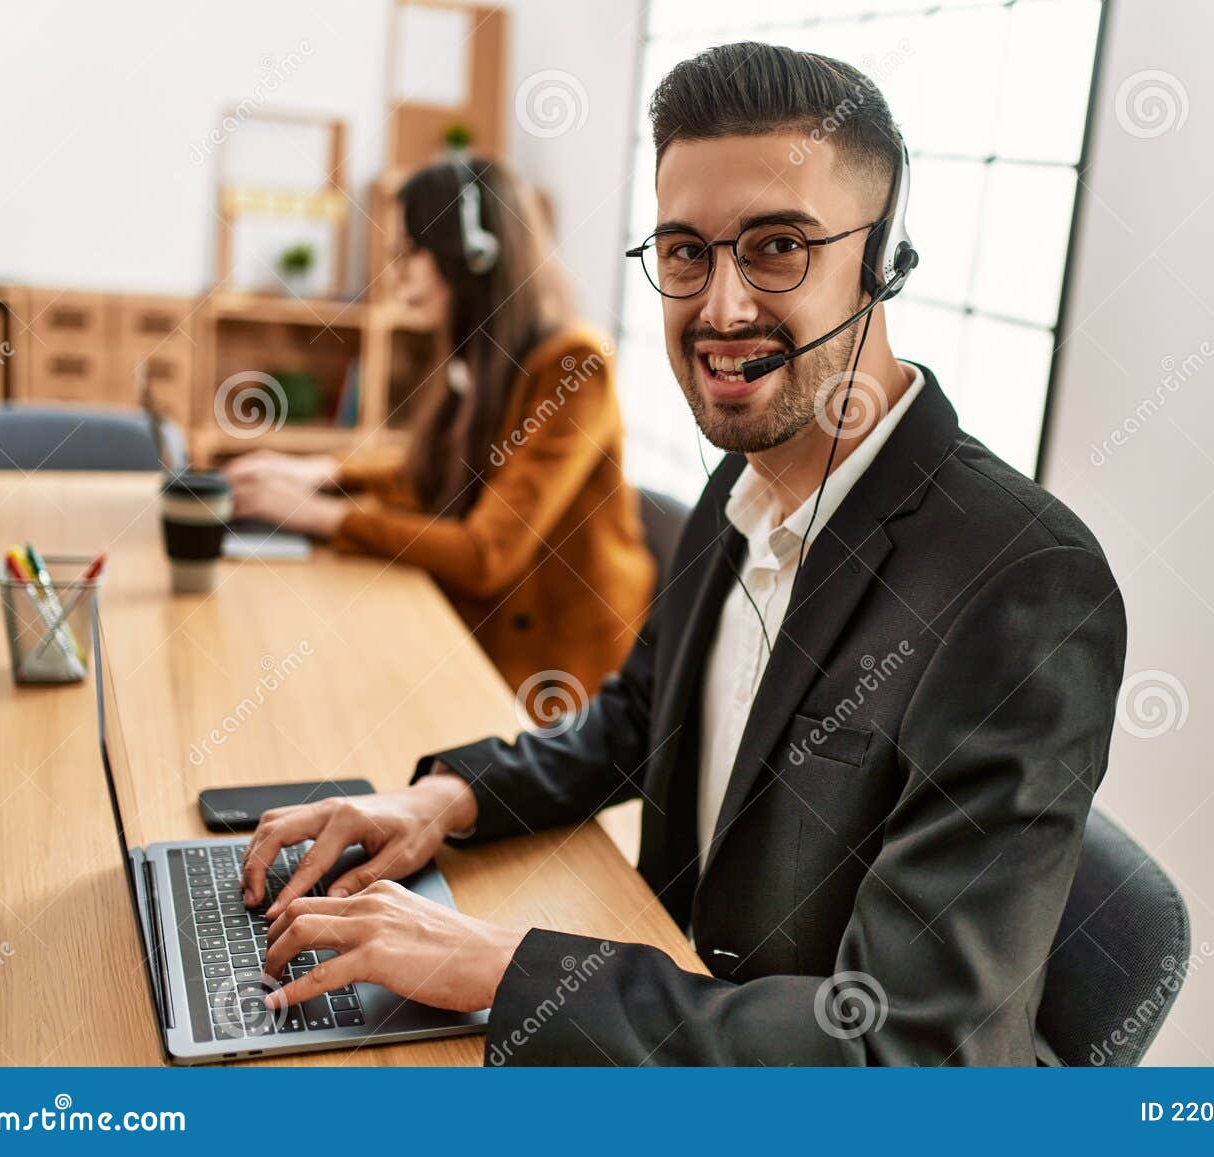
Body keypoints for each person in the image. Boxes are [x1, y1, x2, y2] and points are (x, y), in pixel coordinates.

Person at [241, 43, 1128, 1066]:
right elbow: (637, 716)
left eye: (778, 246)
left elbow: (909, 1051)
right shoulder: (744, 481)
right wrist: (438, 799)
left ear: (882, 259)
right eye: (684, 250)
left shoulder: (1020, 583)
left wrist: (501, 964)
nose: (720, 307)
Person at [225, 157, 653, 708]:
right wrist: (321, 473)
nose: (396, 275)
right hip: (482, 624)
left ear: (475, 257)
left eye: (411, 253)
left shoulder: (574, 368)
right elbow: (430, 473)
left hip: (551, 669)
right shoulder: (478, 357)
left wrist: (318, 514)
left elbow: (486, 553)